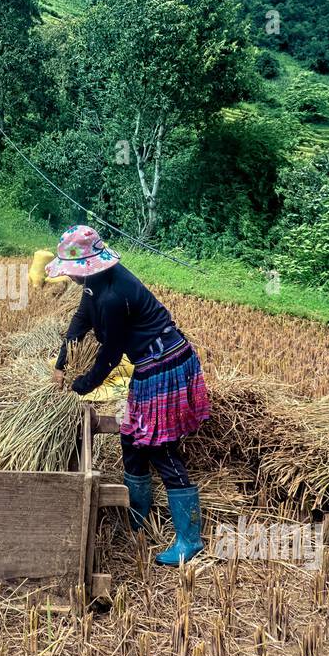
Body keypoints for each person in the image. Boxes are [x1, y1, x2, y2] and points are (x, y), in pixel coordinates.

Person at [46, 225, 211, 565]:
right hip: (149, 365)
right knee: (130, 438)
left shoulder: (112, 295)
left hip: (163, 364)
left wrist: (81, 386)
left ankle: (190, 538)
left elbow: (110, 353)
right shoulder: (97, 284)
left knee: (159, 449)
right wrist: (61, 364)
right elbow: (81, 320)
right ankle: (138, 519)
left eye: (74, 272)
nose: (73, 279)